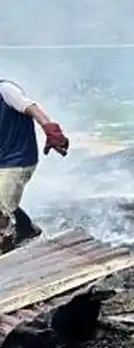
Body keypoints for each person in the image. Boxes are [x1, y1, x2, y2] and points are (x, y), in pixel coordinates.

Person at [0, 79, 68, 254]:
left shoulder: (6, 90)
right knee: (4, 203)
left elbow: (32, 109)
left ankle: (5, 250)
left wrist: (52, 130)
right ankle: (27, 230)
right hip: (3, 161)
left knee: (1, 210)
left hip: (18, 161)